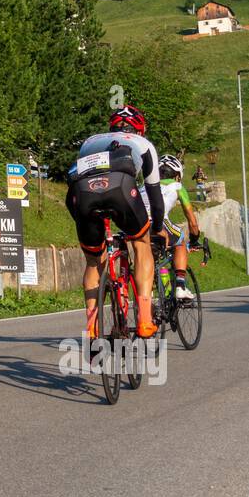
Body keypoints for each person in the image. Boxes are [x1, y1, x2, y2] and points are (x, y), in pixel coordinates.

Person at [65, 104, 166, 339]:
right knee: (141, 245)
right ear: (140, 128)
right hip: (120, 188)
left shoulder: (90, 141)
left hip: (81, 195)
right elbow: (155, 197)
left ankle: (91, 328)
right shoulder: (143, 144)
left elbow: (79, 180)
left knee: (93, 261)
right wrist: (157, 229)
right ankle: (144, 320)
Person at [156, 154, 202, 302]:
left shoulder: (144, 185)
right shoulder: (177, 186)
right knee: (180, 239)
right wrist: (194, 238)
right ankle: (180, 286)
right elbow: (192, 221)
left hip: (137, 224)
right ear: (177, 176)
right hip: (158, 222)